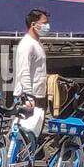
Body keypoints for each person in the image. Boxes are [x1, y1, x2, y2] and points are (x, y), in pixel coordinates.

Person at [13, 9, 49, 139]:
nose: (47, 26)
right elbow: (24, 71)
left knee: (35, 133)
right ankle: (13, 157)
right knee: (23, 133)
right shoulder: (27, 44)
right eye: (44, 23)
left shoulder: (37, 43)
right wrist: (28, 96)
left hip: (38, 95)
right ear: (33, 25)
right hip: (28, 96)